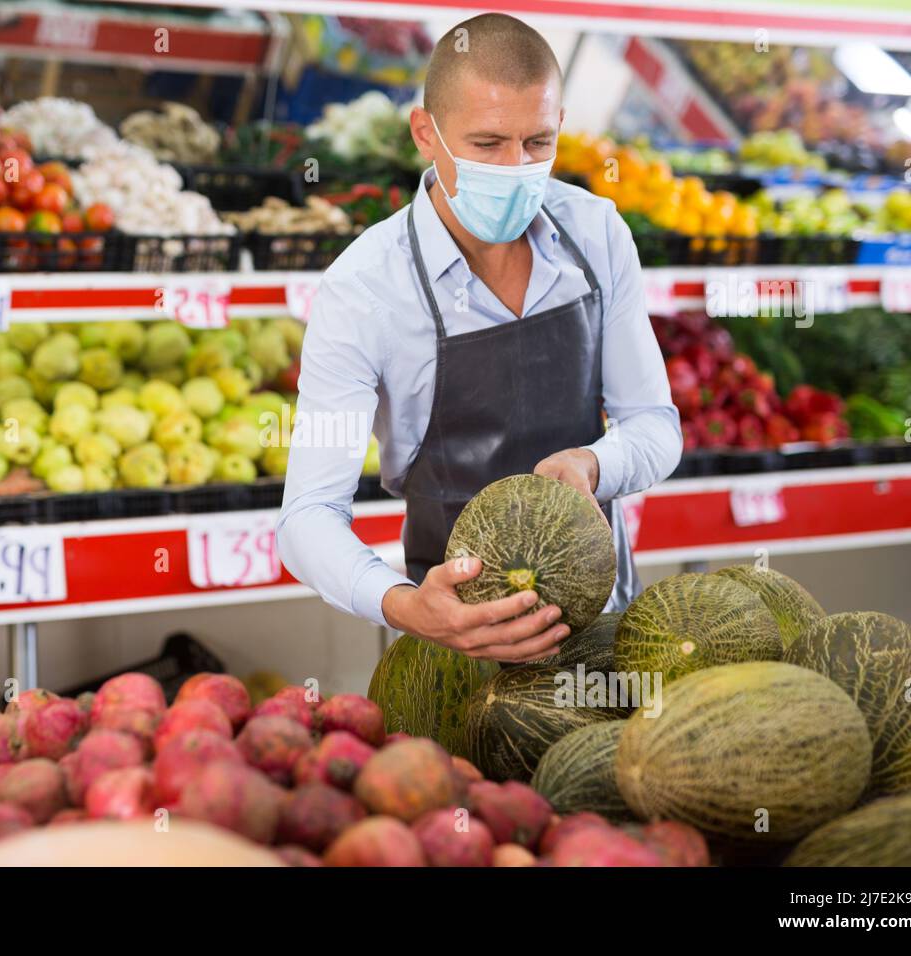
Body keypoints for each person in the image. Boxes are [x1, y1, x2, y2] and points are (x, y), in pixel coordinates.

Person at [276, 13, 681, 663]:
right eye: (488, 144)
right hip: (454, 641)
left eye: (538, 143)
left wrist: (594, 464)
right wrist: (405, 603)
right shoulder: (363, 289)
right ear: (425, 135)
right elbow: (307, 518)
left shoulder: (599, 234)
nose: (517, 169)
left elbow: (656, 425)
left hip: (605, 627)